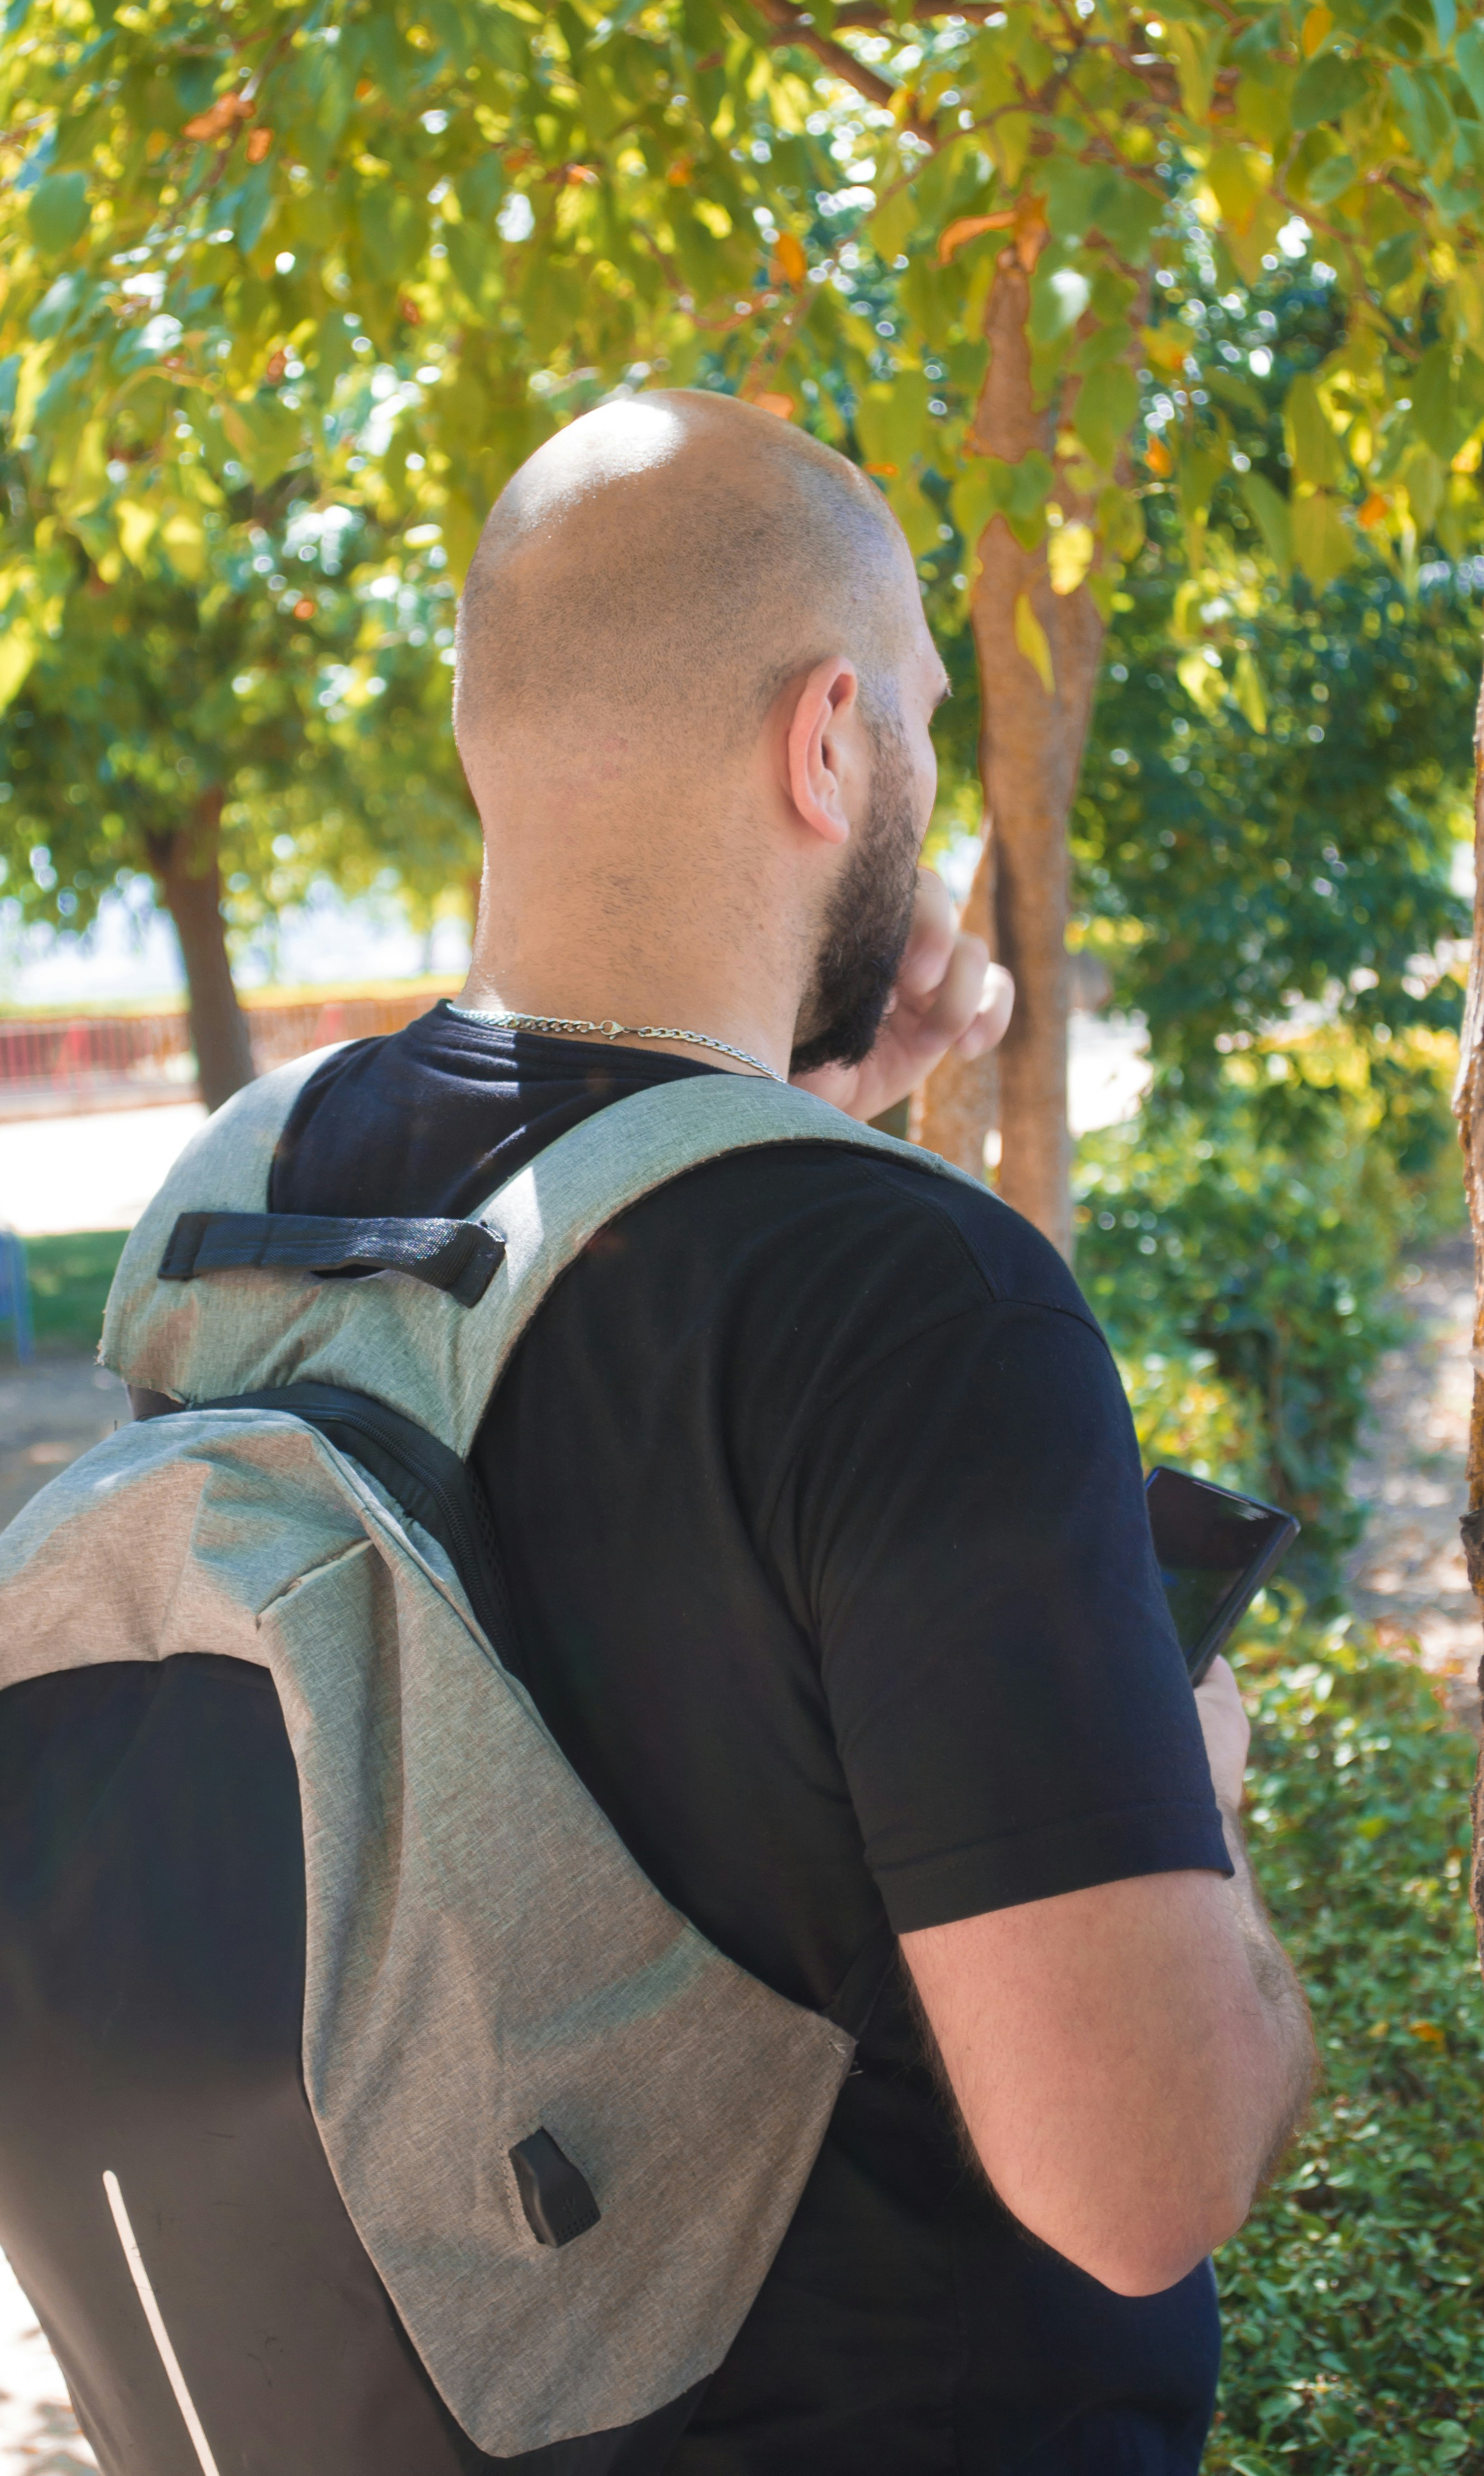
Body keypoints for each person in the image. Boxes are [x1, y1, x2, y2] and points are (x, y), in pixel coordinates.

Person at [258, 389, 1314, 2470]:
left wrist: (806, 1128)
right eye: (917, 720)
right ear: (828, 743)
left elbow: (565, 1500)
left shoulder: (285, 1197)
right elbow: (1138, 2178)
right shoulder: (920, 1310)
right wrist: (1206, 1817)